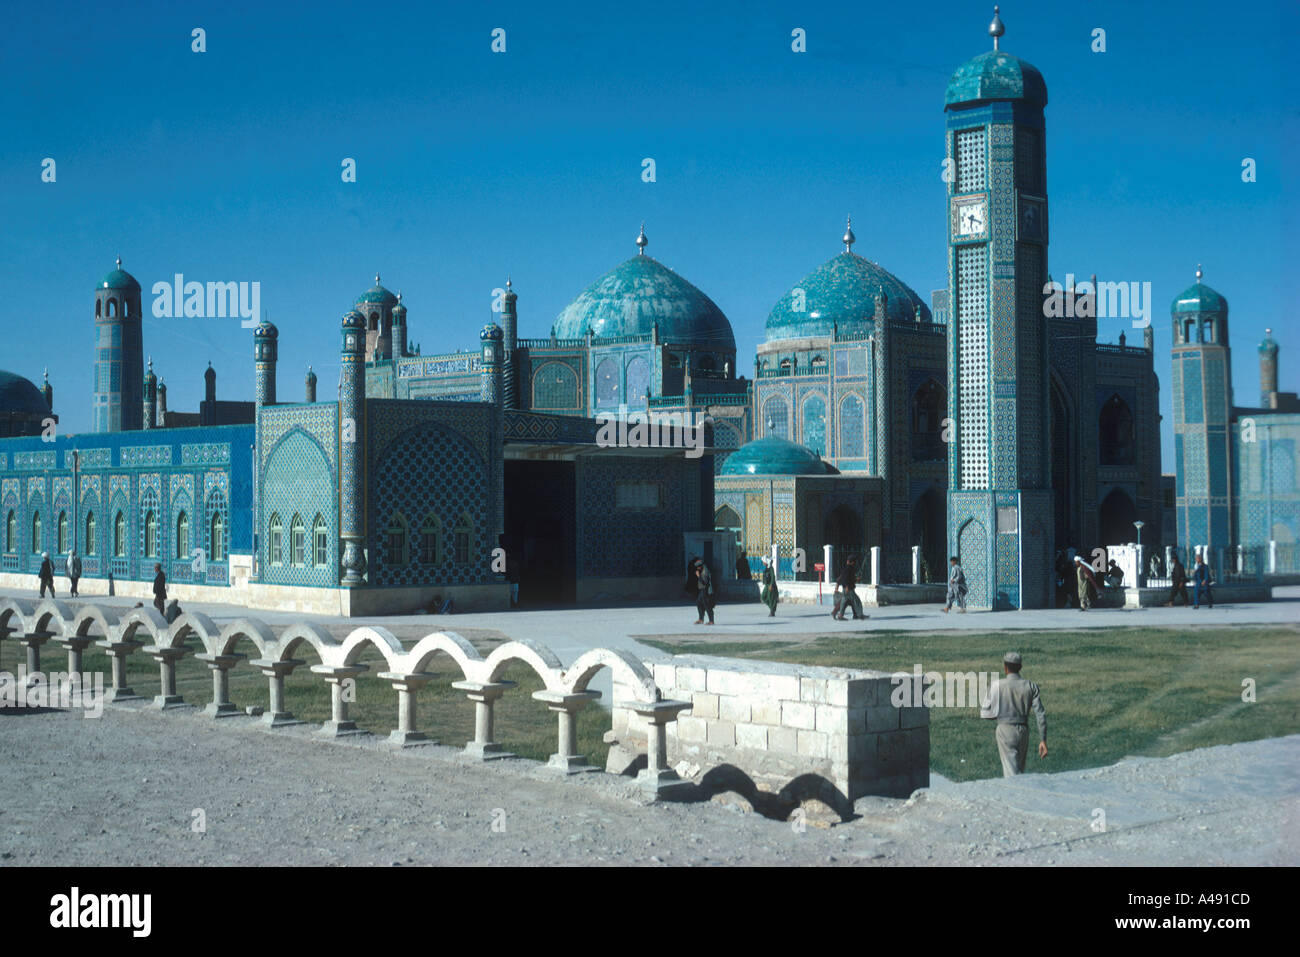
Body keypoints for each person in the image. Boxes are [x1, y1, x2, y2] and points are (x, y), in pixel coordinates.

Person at [980, 651, 1048, 777]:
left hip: (1005, 730)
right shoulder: (1030, 685)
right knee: (1020, 771)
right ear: (1020, 667)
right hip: (1024, 730)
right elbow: (1040, 714)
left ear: (1005, 667)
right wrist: (1043, 740)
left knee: (1011, 774)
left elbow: (985, 713)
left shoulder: (996, 685)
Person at [833, 555, 865, 621]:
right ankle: (860, 615)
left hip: (845, 588)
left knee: (845, 602)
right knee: (856, 601)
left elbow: (844, 579)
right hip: (849, 589)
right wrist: (847, 586)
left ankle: (840, 615)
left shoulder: (845, 568)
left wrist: (856, 579)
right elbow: (847, 579)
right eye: (854, 562)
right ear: (852, 562)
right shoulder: (850, 568)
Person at [693, 559, 715, 625]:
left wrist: (698, 576)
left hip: (706, 590)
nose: (697, 568)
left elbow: (704, 582)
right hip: (702, 589)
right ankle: (701, 619)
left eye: (698, 567)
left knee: (707, 604)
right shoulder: (703, 570)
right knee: (698, 602)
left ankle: (711, 620)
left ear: (701, 566)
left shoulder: (705, 572)